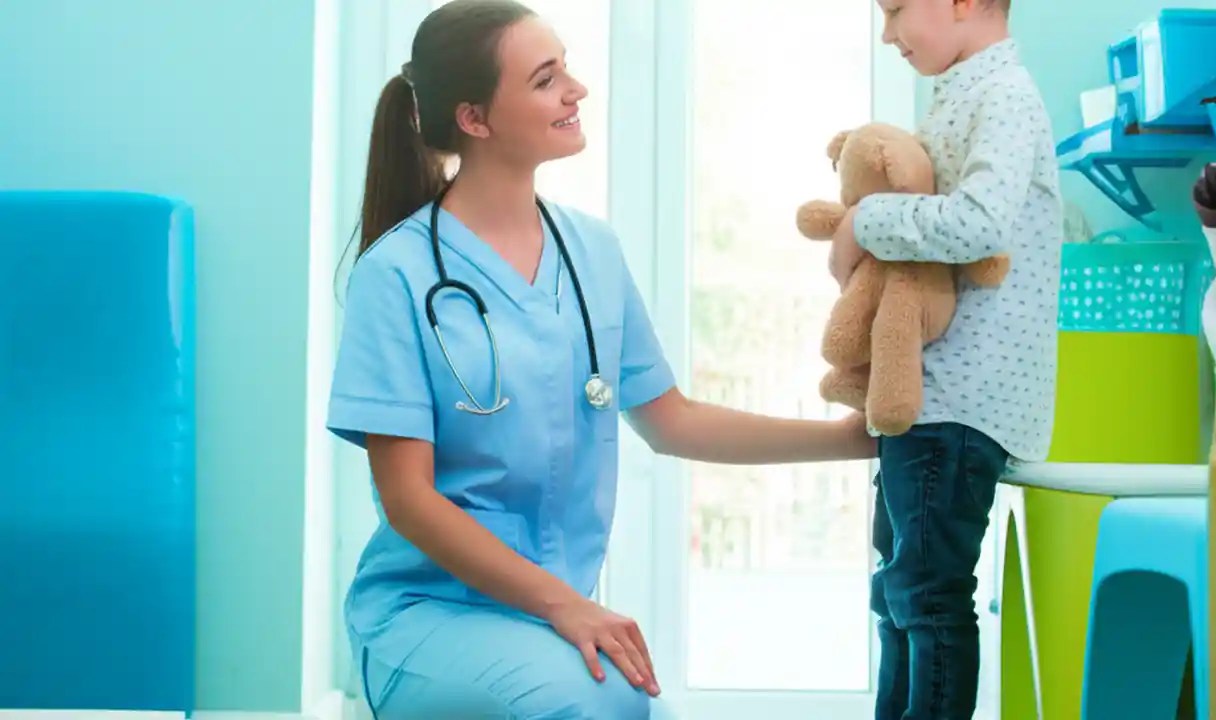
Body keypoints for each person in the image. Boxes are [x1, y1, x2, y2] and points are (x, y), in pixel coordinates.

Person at [326, 1, 876, 718]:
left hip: (545, 620)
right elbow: (408, 498)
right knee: (595, 704)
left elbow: (672, 421)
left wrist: (849, 442)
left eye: (567, 69)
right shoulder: (396, 272)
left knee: (632, 706)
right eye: (546, 78)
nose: (576, 90)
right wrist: (566, 606)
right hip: (427, 618)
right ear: (475, 119)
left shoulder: (591, 251)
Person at [827, 0, 1063, 718]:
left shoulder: (1004, 97)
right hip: (932, 398)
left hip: (962, 399)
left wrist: (864, 221)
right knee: (899, 592)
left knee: (926, 596)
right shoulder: (964, 94)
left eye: (896, 9)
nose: (887, 33)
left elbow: (978, 221)